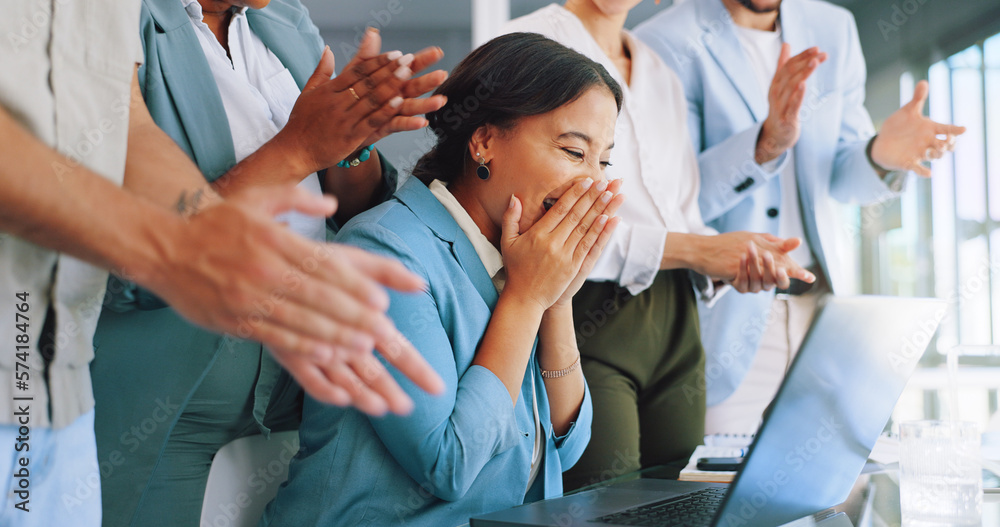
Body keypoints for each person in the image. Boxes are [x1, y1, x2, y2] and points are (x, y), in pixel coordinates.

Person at [0, 1, 444, 526]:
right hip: (66, 373)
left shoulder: (278, 22)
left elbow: (127, 126)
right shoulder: (145, 17)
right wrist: (181, 241)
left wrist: (349, 138)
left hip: (57, 382)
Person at [261, 32, 626, 527]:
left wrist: (555, 299)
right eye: (572, 151)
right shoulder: (384, 251)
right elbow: (447, 465)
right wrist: (527, 299)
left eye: (603, 161)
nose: (592, 183)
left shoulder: (518, 259)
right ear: (484, 142)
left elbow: (567, 444)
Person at [502, 0, 814, 490]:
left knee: (681, 501)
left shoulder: (660, 68)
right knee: (605, 505)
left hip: (678, 321)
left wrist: (731, 260)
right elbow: (531, 217)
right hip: (585, 309)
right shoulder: (527, 44)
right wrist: (697, 250)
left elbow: (682, 211)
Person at [635, 0, 966, 434]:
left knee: (831, 488)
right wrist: (765, 143)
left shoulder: (834, 27)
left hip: (823, 309)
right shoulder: (663, 41)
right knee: (715, 490)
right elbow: (676, 198)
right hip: (727, 321)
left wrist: (879, 154)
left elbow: (841, 178)